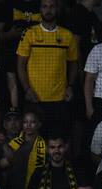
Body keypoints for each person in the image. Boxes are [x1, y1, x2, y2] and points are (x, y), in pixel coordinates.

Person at [14, 0, 79, 135]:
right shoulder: (29, 33)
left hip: (60, 99)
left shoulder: (67, 35)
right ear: (40, 10)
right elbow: (20, 65)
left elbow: (73, 64)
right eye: (44, 6)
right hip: (35, 99)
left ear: (57, 9)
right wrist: (27, 89)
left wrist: (71, 86)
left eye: (52, 6)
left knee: (58, 141)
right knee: (33, 141)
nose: (48, 10)